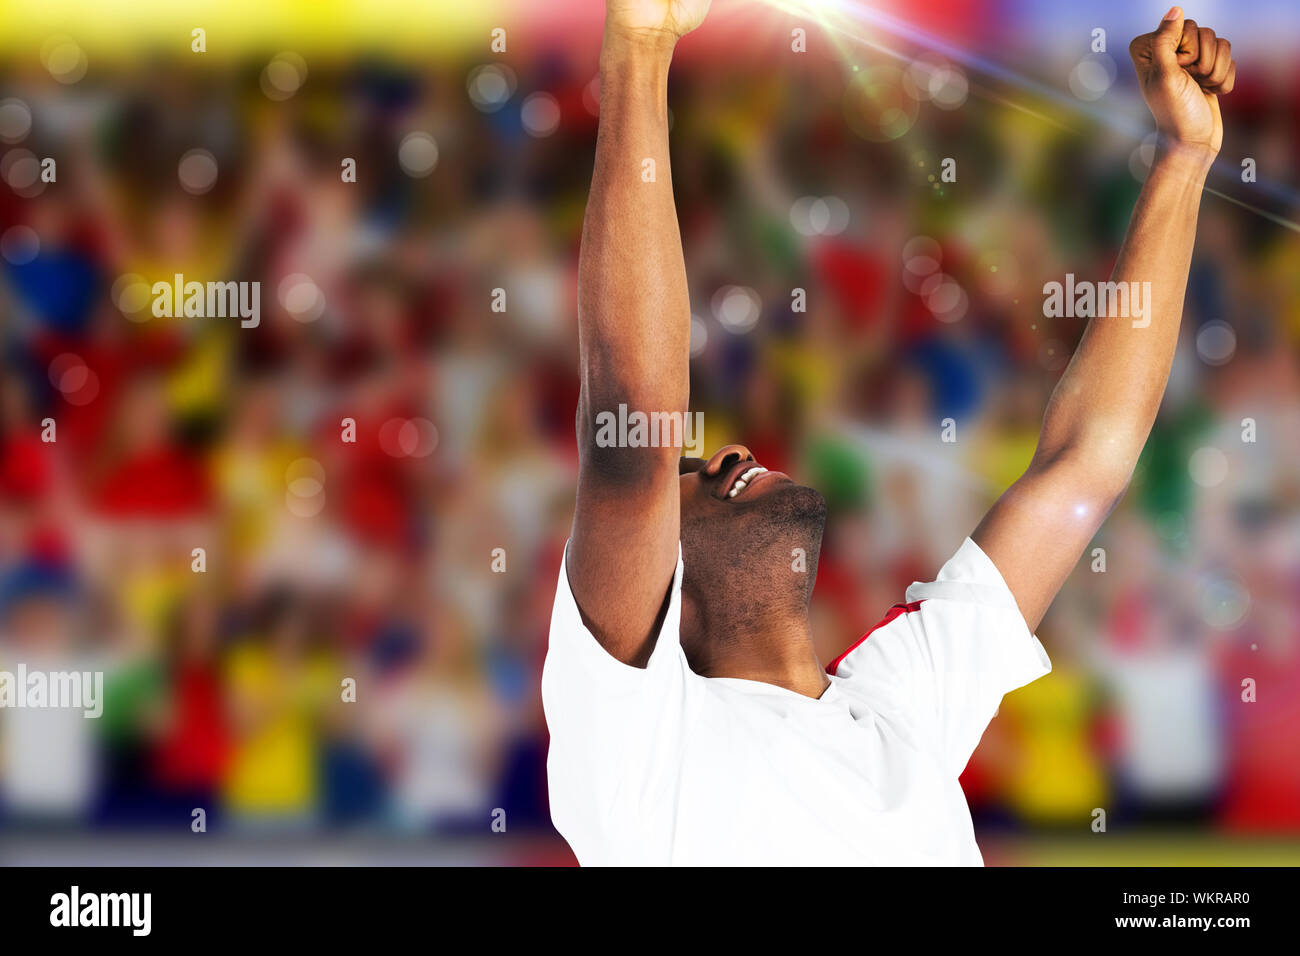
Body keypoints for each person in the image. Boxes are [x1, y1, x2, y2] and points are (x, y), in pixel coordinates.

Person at [542, 2, 1237, 865]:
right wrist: (640, 48)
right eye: (689, 469)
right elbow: (632, 436)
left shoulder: (898, 701)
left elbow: (1083, 464)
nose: (729, 453)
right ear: (649, 582)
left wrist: (1184, 158)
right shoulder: (637, 744)